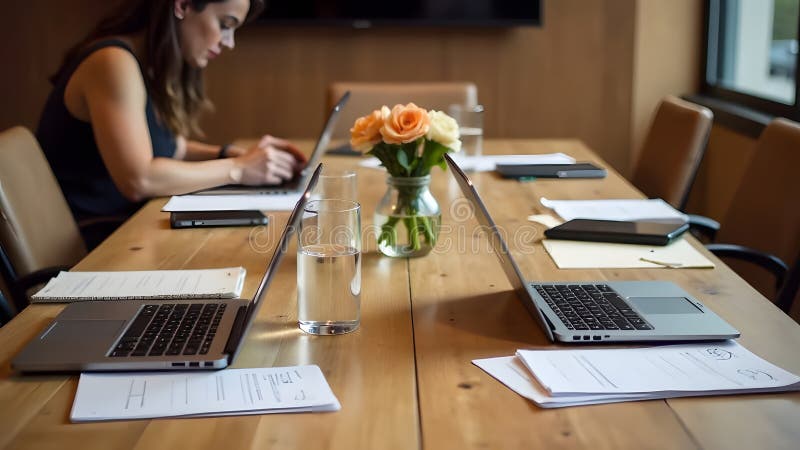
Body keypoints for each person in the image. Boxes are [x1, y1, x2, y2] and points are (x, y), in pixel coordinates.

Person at [36, 0, 305, 249]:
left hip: (131, 232)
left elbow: (171, 147)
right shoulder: (112, 63)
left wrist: (232, 155)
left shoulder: (146, 64)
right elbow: (139, 179)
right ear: (183, 5)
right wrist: (239, 169)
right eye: (225, 25)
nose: (229, 42)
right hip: (95, 250)